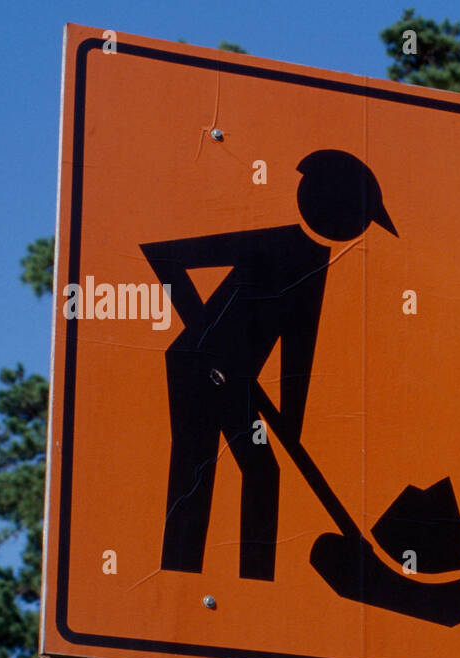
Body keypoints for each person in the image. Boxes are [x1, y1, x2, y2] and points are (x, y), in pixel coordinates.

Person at [143, 150, 397, 580]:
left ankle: (256, 583)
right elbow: (164, 256)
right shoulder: (274, 243)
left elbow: (299, 354)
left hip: (236, 378)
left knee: (265, 471)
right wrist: (204, 331)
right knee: (197, 462)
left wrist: (292, 432)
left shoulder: (317, 264)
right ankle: (179, 573)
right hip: (196, 365)